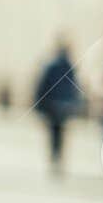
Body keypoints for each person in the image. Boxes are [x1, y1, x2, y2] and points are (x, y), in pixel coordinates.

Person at [32, 40, 83, 175]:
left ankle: (55, 156)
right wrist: (74, 102)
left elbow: (42, 86)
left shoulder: (52, 65)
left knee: (54, 132)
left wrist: (39, 103)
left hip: (54, 104)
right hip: (63, 105)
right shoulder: (69, 66)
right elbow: (74, 87)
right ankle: (57, 156)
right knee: (59, 132)